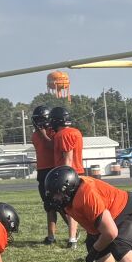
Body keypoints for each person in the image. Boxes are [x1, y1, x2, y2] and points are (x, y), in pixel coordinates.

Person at [47, 106, 84, 248]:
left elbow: (68, 158)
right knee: (72, 208)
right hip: (76, 172)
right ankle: (74, 237)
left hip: (68, 175)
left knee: (70, 208)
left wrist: (64, 177)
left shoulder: (64, 134)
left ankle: (72, 239)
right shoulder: (76, 132)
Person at [29, 104, 61, 245]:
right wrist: (41, 134)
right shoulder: (35, 135)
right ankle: (51, 236)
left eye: (41, 120)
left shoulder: (53, 133)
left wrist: (44, 134)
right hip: (42, 171)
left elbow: (53, 147)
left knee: (62, 205)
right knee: (49, 205)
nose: (39, 123)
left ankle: (74, 233)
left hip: (53, 170)